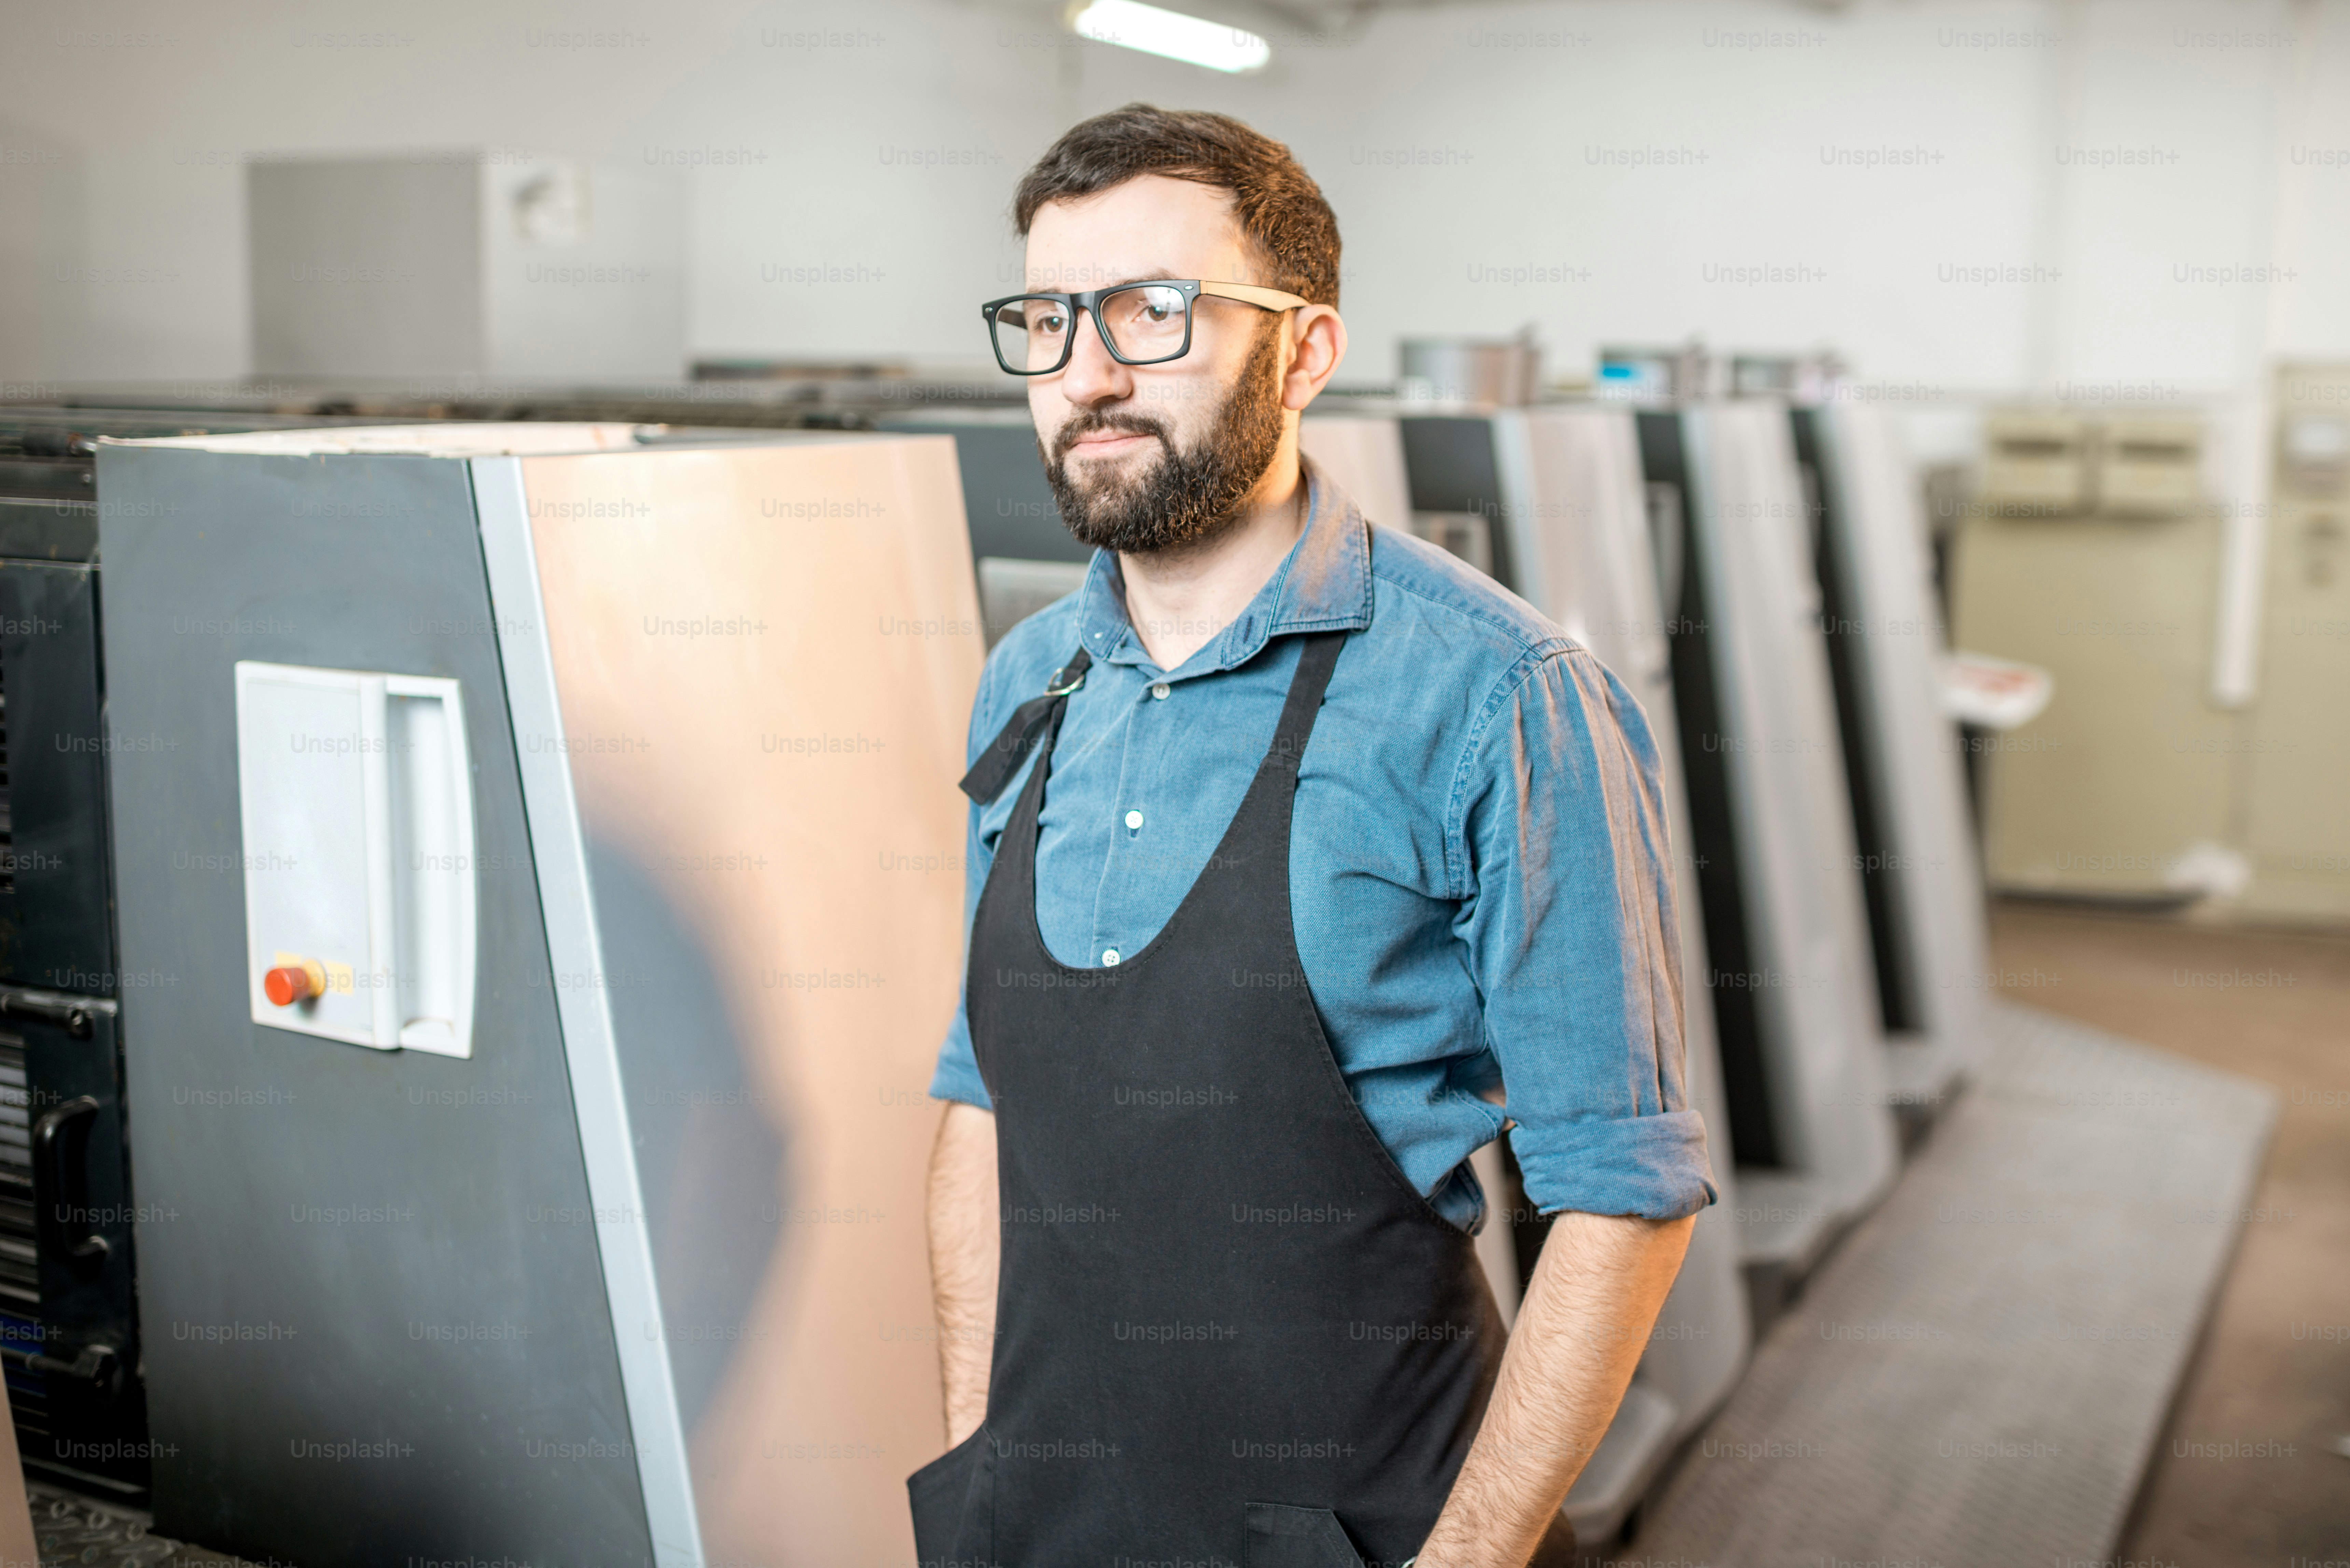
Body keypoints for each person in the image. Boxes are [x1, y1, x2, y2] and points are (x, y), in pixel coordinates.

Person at [914, 103, 1712, 1568]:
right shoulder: (1028, 681)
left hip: (1362, 1525)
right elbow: (978, 1101)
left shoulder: (1500, 697)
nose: (1085, 374)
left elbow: (1621, 1190)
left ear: (1304, 349)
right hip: (1042, 1519)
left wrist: (1464, 1559)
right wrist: (976, 1461)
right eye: (1045, 319)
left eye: (1153, 313)